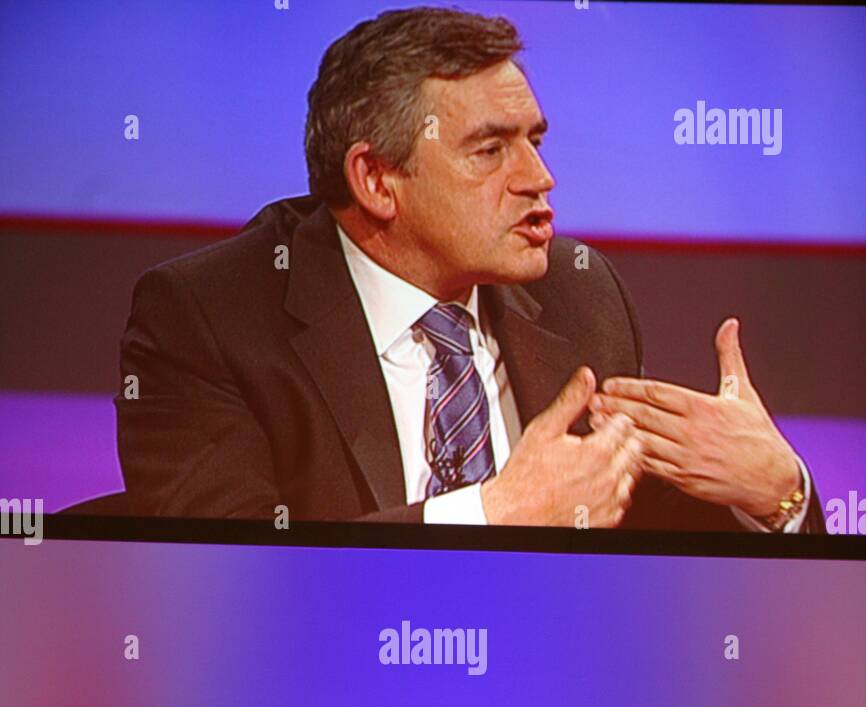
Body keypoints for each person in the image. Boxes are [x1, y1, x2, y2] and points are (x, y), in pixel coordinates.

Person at [115, 7, 824, 534]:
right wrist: (494, 515)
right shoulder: (205, 318)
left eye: (535, 141)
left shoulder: (580, 295)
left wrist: (775, 495)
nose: (540, 178)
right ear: (376, 179)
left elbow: (640, 551)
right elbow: (227, 589)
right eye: (490, 151)